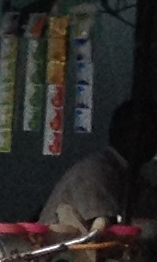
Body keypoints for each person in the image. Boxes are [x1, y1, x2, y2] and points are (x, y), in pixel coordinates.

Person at [42, 98, 154, 234]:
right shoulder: (95, 172)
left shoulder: (132, 176)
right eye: (146, 132)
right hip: (61, 252)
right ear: (121, 133)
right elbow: (105, 233)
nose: (151, 140)